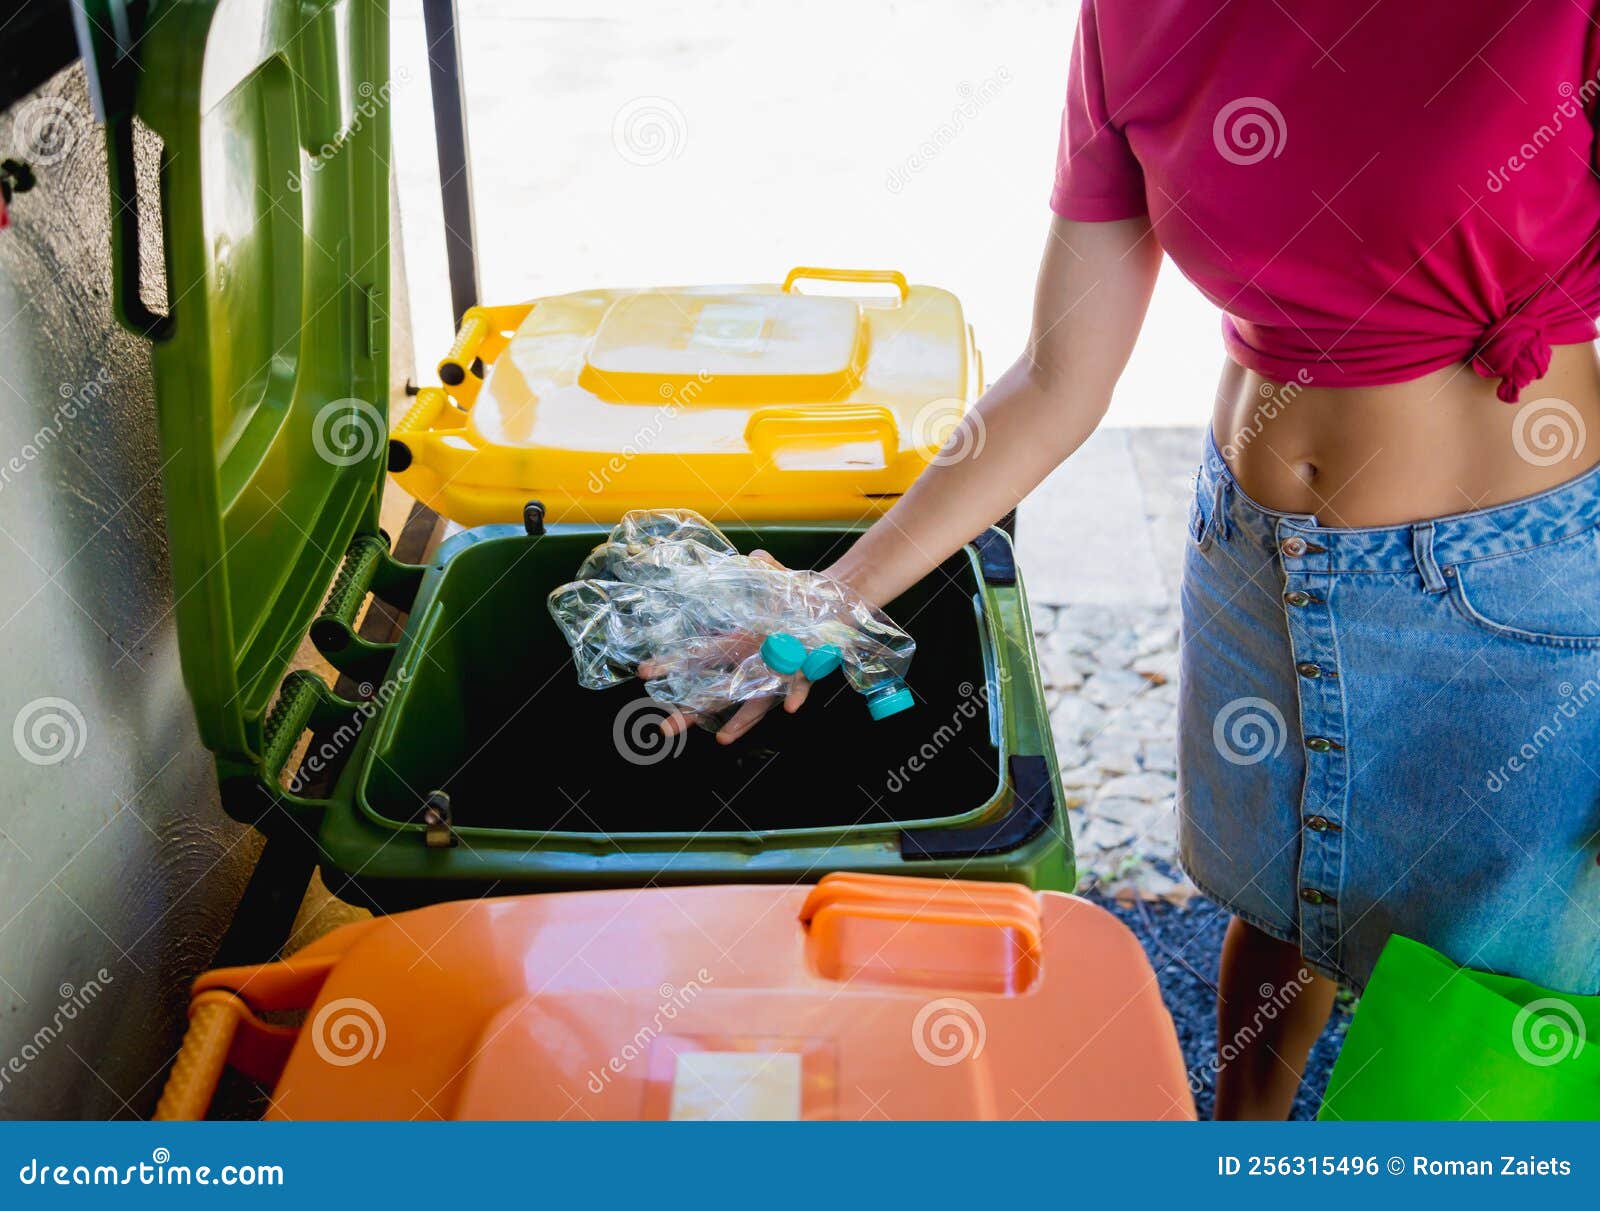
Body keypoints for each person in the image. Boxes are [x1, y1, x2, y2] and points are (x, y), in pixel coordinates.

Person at [664, 1, 1600, 1118]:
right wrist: (832, 597)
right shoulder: (1137, 16)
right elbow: (1060, 378)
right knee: (1275, 901)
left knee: (1479, 1020)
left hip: (1506, 598)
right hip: (1252, 560)